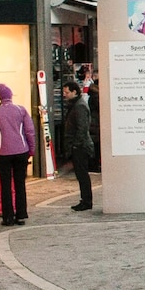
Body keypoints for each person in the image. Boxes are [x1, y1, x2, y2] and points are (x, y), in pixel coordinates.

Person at [0, 83, 35, 224]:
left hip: (3, 152)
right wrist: (31, 149)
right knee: (20, 183)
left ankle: (8, 216)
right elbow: (29, 131)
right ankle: (21, 214)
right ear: (10, 96)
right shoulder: (21, 110)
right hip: (21, 150)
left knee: (5, 185)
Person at [61, 80, 94, 212]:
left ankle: (86, 201)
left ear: (74, 92)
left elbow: (82, 128)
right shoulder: (75, 105)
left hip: (80, 146)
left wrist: (76, 145)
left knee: (82, 174)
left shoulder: (79, 106)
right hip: (78, 145)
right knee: (81, 174)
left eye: (67, 92)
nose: (65, 94)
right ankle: (85, 200)